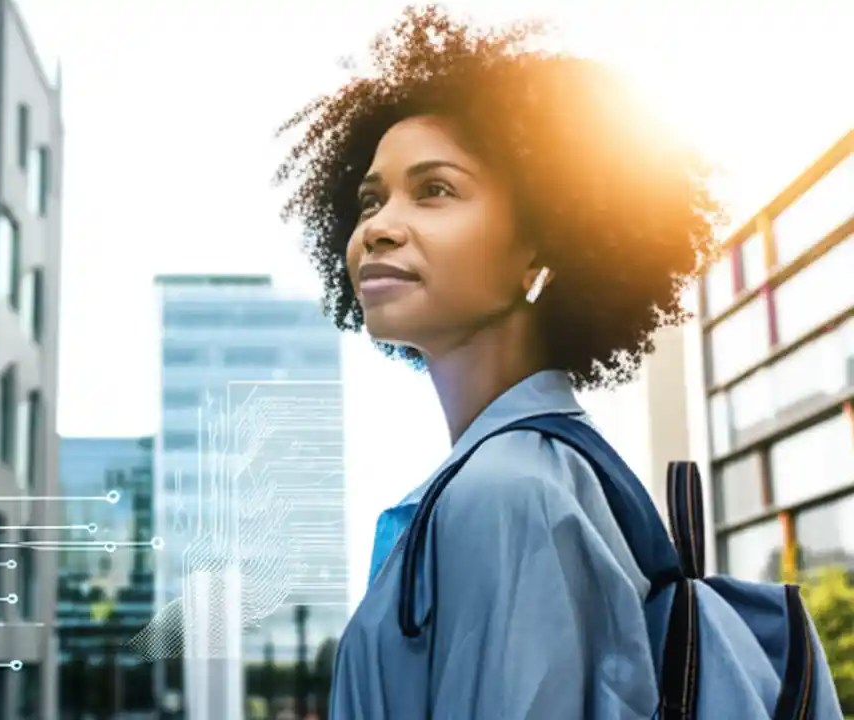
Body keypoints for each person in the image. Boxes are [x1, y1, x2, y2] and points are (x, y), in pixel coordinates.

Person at [273, 5, 722, 718]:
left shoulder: (509, 491)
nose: (379, 228)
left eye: (436, 190)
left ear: (541, 244)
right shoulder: (536, 473)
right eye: (368, 200)